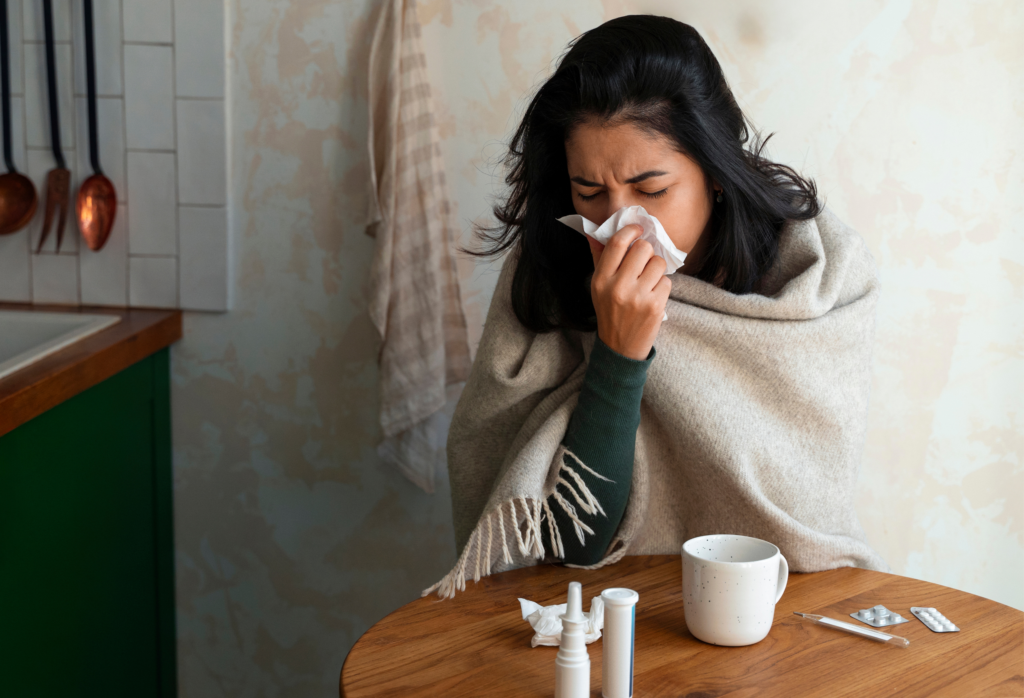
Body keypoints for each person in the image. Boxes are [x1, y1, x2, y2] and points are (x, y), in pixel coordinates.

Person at [424, 14, 888, 599]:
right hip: (607, 612)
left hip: (784, 605)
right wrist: (619, 355)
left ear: (716, 173)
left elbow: (800, 519)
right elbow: (569, 542)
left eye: (651, 190)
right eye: (589, 193)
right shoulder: (548, 272)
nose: (620, 225)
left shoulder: (820, 279)